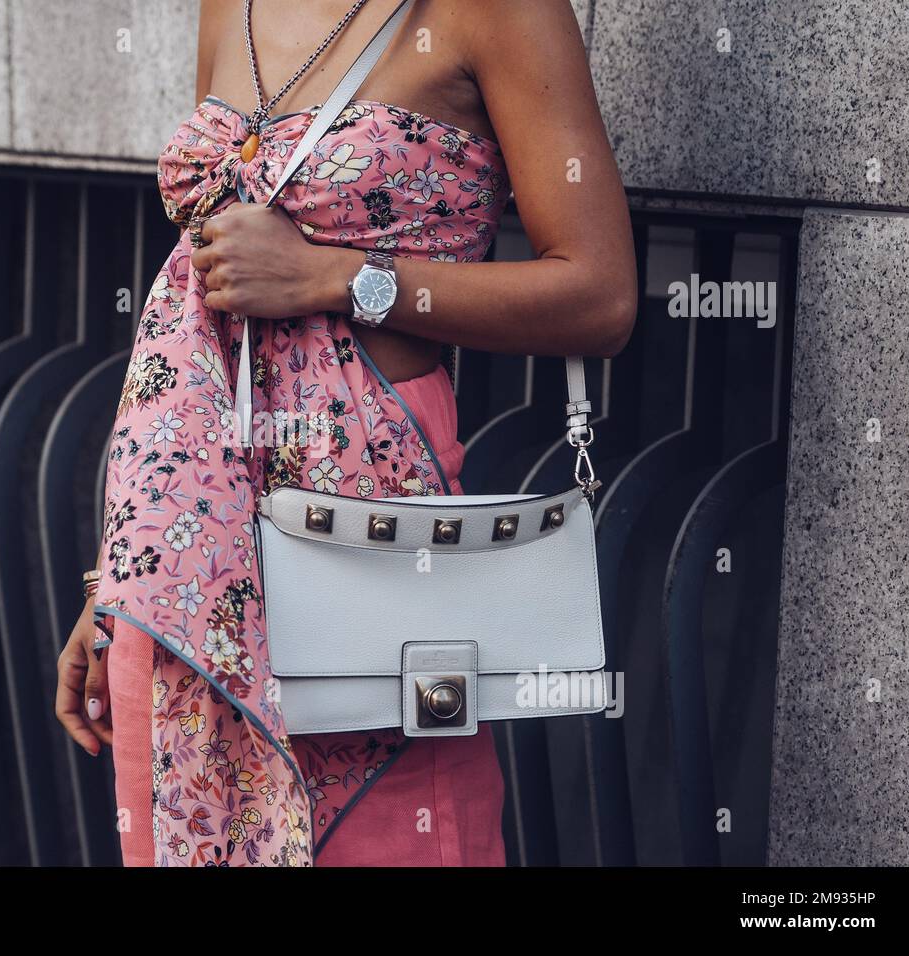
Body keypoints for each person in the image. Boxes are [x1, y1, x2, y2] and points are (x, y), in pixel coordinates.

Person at [56, 0, 636, 867]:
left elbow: (600, 297)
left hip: (374, 530)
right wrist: (125, 580)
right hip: (190, 565)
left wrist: (336, 278)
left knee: (392, 818)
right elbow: (209, 318)